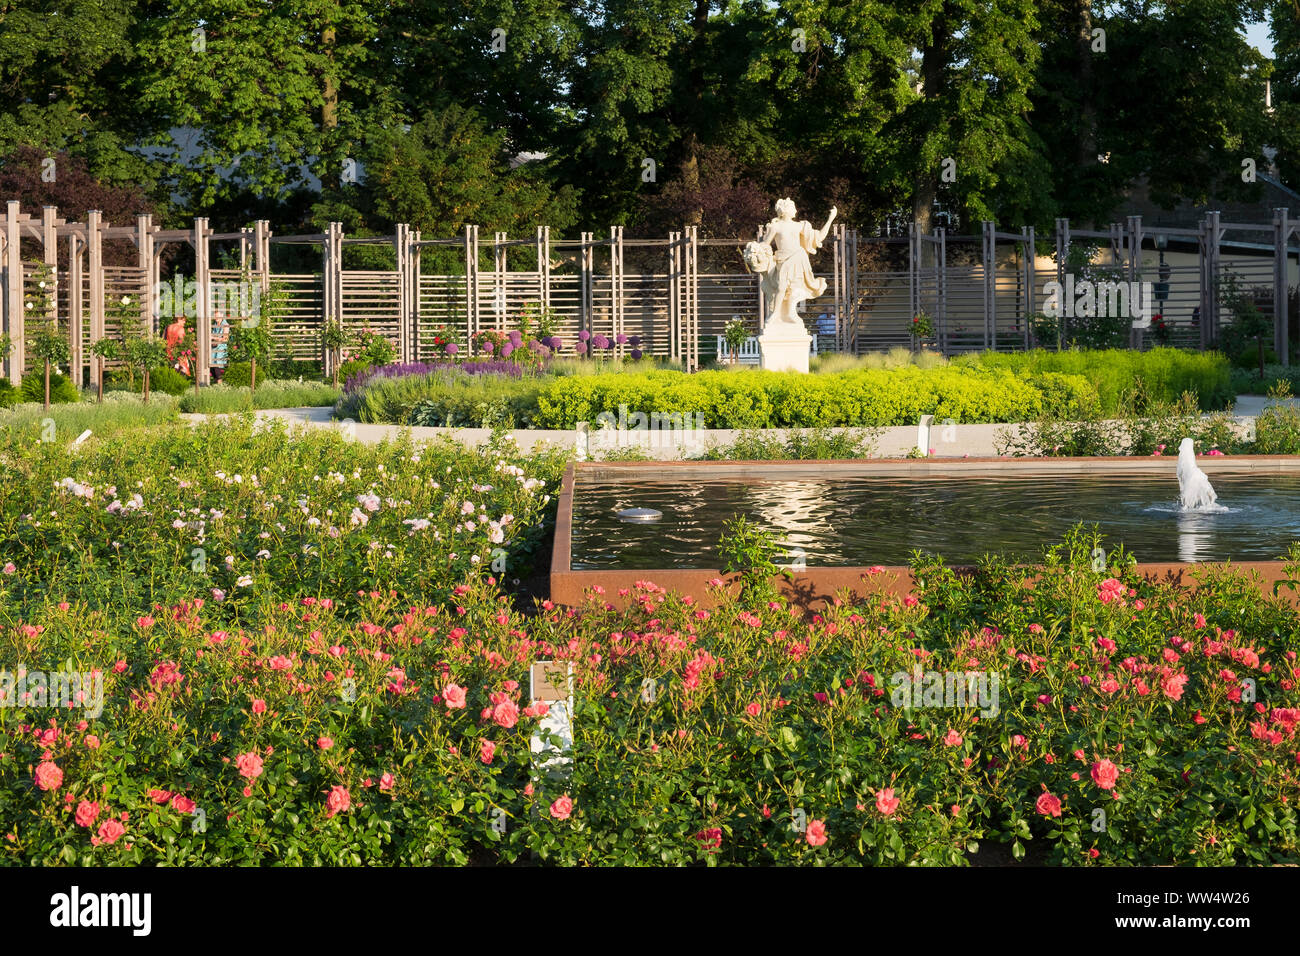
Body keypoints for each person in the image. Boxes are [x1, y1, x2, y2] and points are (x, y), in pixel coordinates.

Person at [211, 311, 230, 383]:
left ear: (222, 315)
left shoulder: (225, 325)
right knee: (211, 365)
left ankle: (220, 384)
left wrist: (214, 338)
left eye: (218, 316)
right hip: (214, 346)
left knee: (217, 365)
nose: (216, 318)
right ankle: (217, 383)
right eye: (215, 316)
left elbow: (225, 339)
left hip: (221, 347)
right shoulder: (215, 324)